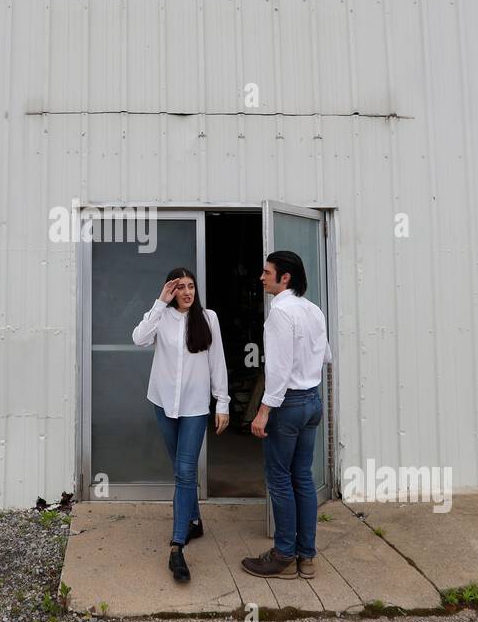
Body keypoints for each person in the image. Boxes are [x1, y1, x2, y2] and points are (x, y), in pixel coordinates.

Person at [132, 267, 229, 583]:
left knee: (185, 472)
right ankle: (195, 522)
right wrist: (160, 302)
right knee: (181, 469)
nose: (187, 292)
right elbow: (138, 339)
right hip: (163, 404)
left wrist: (223, 403)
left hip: (195, 408)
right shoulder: (160, 316)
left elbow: (218, 363)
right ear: (170, 291)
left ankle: (177, 547)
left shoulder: (209, 318)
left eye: (191, 286)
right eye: (180, 288)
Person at [241, 250, 332, 580]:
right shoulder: (313, 310)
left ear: (285, 278)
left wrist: (263, 411)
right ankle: (305, 558)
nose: (262, 277)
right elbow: (325, 355)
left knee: (280, 480)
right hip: (311, 402)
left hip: (288, 405)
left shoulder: (280, 314)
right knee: (303, 478)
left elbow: (278, 371)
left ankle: (283, 556)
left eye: (267, 273)